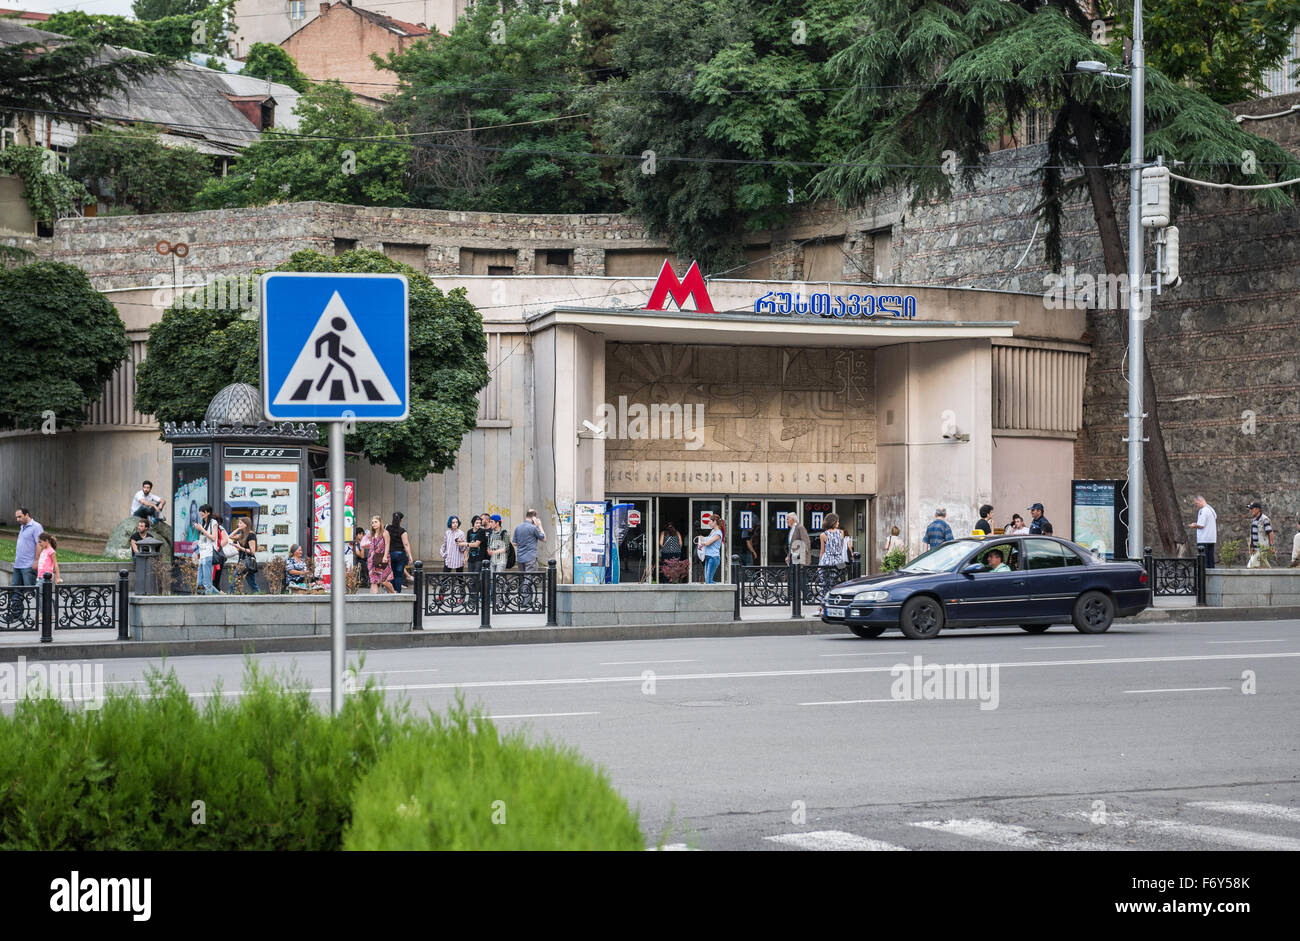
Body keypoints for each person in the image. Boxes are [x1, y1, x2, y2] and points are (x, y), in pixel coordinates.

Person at [11, 507, 44, 587]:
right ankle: (16, 600)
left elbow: (40, 544)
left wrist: (36, 561)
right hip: (18, 565)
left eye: (20, 517)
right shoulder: (23, 527)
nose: (18, 520)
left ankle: (48, 600)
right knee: (15, 591)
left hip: (28, 566)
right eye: (17, 517)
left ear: (27, 515)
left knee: (32, 591)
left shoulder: (36, 527)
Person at [228, 517, 261, 594]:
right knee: (252, 584)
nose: (238, 524)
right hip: (242, 561)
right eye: (238, 523)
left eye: (240, 523)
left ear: (246, 525)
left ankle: (229, 595)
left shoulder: (251, 535)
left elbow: (252, 551)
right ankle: (259, 595)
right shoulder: (241, 535)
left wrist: (240, 547)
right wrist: (238, 529)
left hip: (248, 561)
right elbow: (229, 537)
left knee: (235, 579)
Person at [194, 504, 219, 595]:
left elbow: (213, 538)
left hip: (209, 554)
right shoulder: (204, 524)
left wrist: (202, 530)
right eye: (200, 511)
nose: (201, 513)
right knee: (200, 582)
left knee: (207, 583)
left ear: (208, 512)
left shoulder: (213, 522)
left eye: (203, 511)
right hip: (203, 555)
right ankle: (219, 596)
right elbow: (203, 541)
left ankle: (217, 597)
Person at [1188, 495, 1218, 568]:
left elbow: (1201, 525)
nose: (1196, 505)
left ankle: (1204, 578)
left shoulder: (1203, 510)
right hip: (1211, 538)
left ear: (1200, 501)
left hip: (1204, 538)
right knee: (1210, 560)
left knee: (1204, 562)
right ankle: (1211, 577)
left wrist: (1194, 525)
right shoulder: (1211, 509)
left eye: (1197, 503)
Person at [818, 512, 848, 584]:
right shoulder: (841, 532)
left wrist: (819, 565)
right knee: (840, 580)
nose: (838, 523)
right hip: (839, 560)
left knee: (825, 582)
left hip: (827, 561)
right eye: (837, 521)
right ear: (833, 522)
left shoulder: (823, 535)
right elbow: (841, 548)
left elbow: (822, 551)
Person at [366, 516, 393, 593]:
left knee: (384, 581)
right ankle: (373, 601)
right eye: (372, 522)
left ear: (380, 523)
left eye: (376, 522)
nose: (374, 524)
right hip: (372, 559)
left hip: (382, 557)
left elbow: (387, 544)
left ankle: (393, 594)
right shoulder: (372, 534)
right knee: (373, 580)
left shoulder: (385, 533)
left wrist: (385, 556)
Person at [387, 512, 412, 592]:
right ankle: (397, 591)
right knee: (398, 575)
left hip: (390, 554)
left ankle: (391, 591)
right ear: (401, 520)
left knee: (391, 574)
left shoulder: (387, 529)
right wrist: (410, 555)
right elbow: (406, 544)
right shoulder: (402, 531)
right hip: (400, 555)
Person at [697, 516, 724, 583]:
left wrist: (702, 543)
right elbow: (708, 539)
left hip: (714, 557)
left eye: (710, 521)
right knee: (707, 580)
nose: (708, 523)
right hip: (708, 556)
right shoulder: (712, 531)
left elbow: (708, 543)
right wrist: (702, 537)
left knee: (708, 580)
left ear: (715, 522)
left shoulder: (718, 533)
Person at [1247, 501, 1274, 567]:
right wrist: (1252, 546)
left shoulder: (1264, 520)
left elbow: (1270, 533)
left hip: (1262, 547)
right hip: (1256, 549)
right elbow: (1253, 534)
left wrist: (1271, 546)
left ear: (1258, 509)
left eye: (1253, 509)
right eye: (1251, 509)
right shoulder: (1254, 520)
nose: (1251, 510)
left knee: (1252, 566)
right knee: (1262, 565)